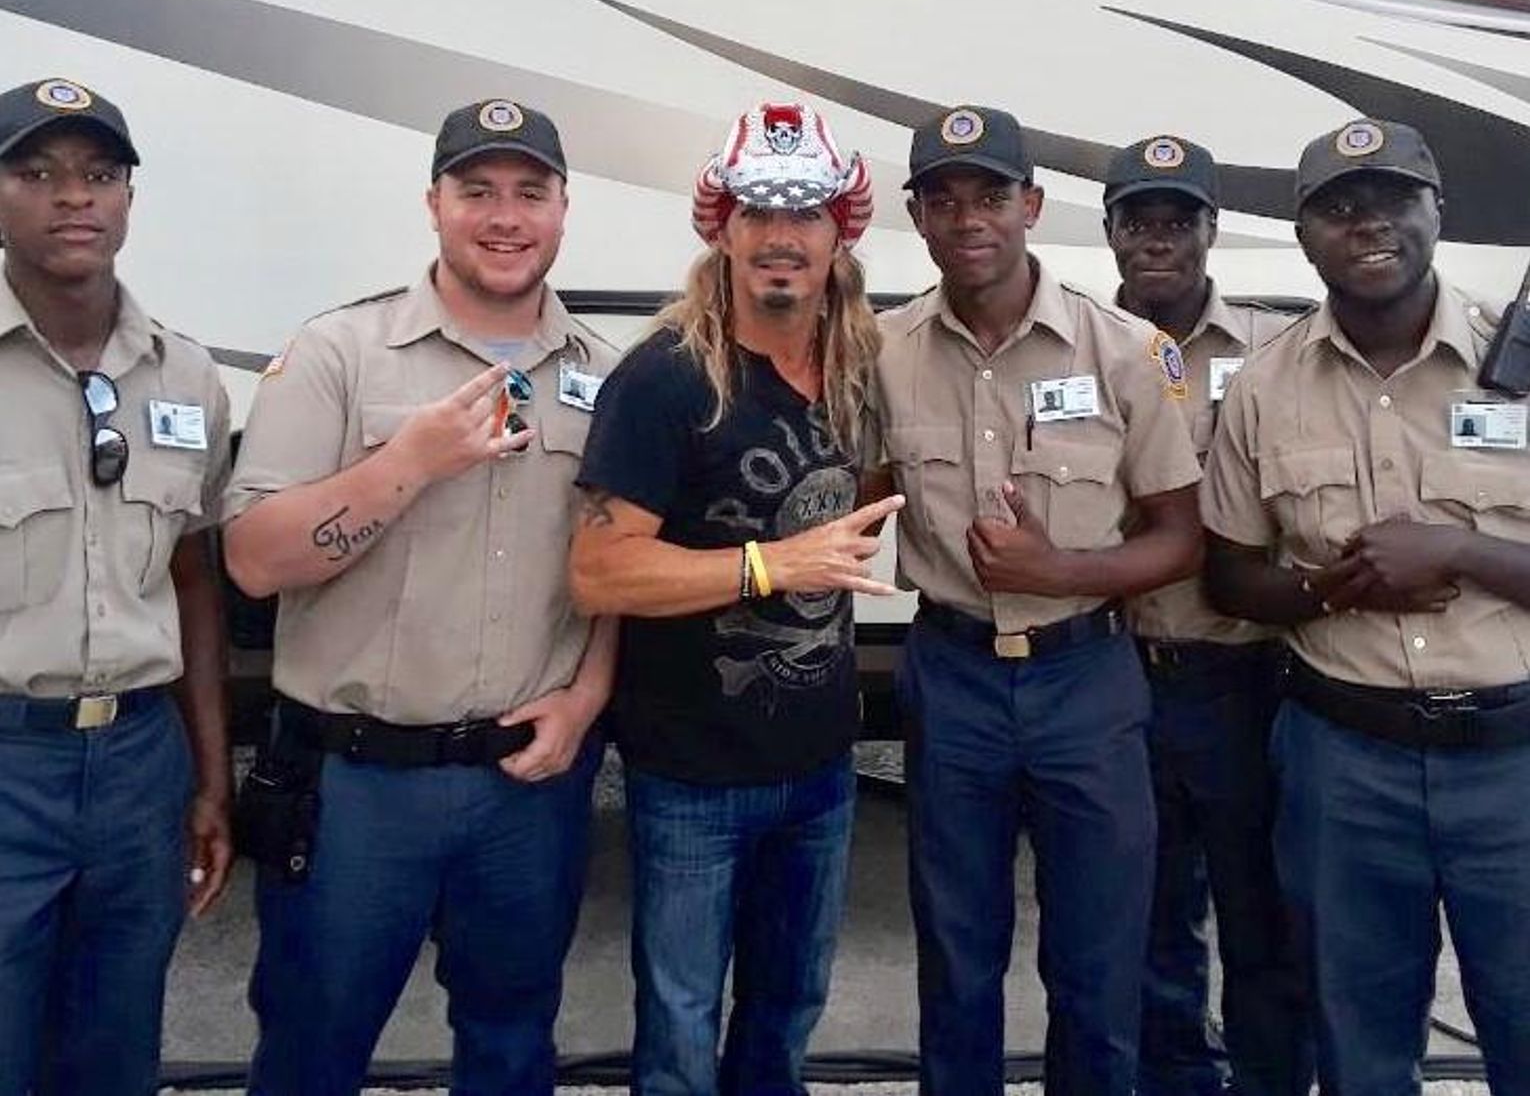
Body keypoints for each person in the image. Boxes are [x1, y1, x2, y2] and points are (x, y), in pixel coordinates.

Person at [223, 98, 619, 1095]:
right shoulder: (339, 352)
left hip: (525, 788)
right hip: (357, 784)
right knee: (313, 1050)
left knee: (512, 1046)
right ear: (434, 203)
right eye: (477, 190)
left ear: (564, 208)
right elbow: (254, 561)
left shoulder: (604, 375)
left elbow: (613, 569)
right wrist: (408, 462)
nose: (505, 216)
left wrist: (586, 699)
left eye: (529, 192)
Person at [862, 105, 1203, 1096]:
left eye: (992, 196)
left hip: (1085, 678)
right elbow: (853, 495)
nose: (969, 219)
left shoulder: (1126, 349)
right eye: (943, 199)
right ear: (918, 216)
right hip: (953, 676)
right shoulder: (882, 351)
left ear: (1033, 206)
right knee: (956, 955)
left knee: (1098, 963)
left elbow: (1181, 536)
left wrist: (1061, 573)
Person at [568, 101, 899, 1096]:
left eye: (805, 212)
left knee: (788, 1010)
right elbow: (599, 570)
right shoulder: (665, 379)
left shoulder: (856, 369)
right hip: (692, 773)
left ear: (840, 231)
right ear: (722, 226)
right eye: (758, 210)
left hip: (823, 764)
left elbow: (864, 497)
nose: (781, 235)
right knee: (680, 1025)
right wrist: (768, 565)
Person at [1202, 118, 1530, 1094]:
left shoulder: (1519, 356)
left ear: (1438, 210)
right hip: (1344, 765)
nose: (1368, 224)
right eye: (1339, 208)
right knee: (1358, 1042)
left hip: (1512, 762)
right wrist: (1332, 585)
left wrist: (1460, 548)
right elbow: (1229, 576)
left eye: (1392, 200)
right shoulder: (1265, 384)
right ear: (1304, 235)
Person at [0, 77, 232, 1096]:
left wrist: (211, 779)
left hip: (140, 762)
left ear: (130, 198)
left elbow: (194, 579)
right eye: (37, 173)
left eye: (99, 174)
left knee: (115, 1049)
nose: (73, 197)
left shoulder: (187, 375)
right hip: (9, 757)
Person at [1103, 134, 1313, 1096]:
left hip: (1243, 675)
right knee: (1147, 914)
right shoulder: (1076, 346)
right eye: (1137, 220)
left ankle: (1271, 1078)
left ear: (1211, 230)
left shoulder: (1276, 349)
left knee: (1261, 912)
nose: (1157, 239)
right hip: (1118, 672)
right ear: (1111, 232)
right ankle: (1176, 1078)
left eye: (1177, 220)